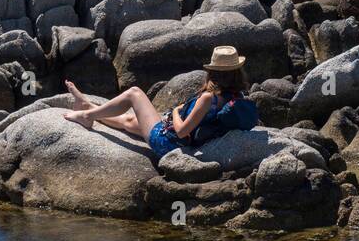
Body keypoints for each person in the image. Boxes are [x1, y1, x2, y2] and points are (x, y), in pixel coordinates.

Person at [63, 45, 257, 157]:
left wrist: (174, 112)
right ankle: (90, 107)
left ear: (213, 71)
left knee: (134, 93)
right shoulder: (235, 96)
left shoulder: (208, 98)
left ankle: (87, 115)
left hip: (168, 142)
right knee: (128, 121)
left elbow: (182, 131)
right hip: (183, 141)